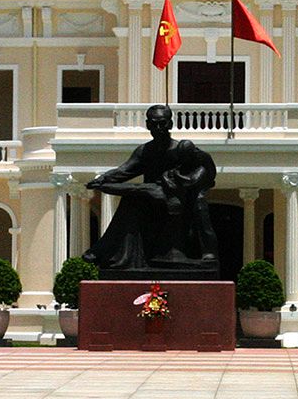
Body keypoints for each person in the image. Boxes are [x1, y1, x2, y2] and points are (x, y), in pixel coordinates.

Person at [82, 104, 219, 276]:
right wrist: (102, 179)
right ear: (148, 125)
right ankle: (112, 255)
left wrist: (189, 184)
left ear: (170, 124)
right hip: (152, 198)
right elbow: (124, 171)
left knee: (149, 194)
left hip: (179, 198)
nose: (158, 128)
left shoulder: (181, 149)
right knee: (131, 200)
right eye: (154, 124)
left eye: (162, 123)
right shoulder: (145, 151)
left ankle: (100, 250)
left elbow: (207, 167)